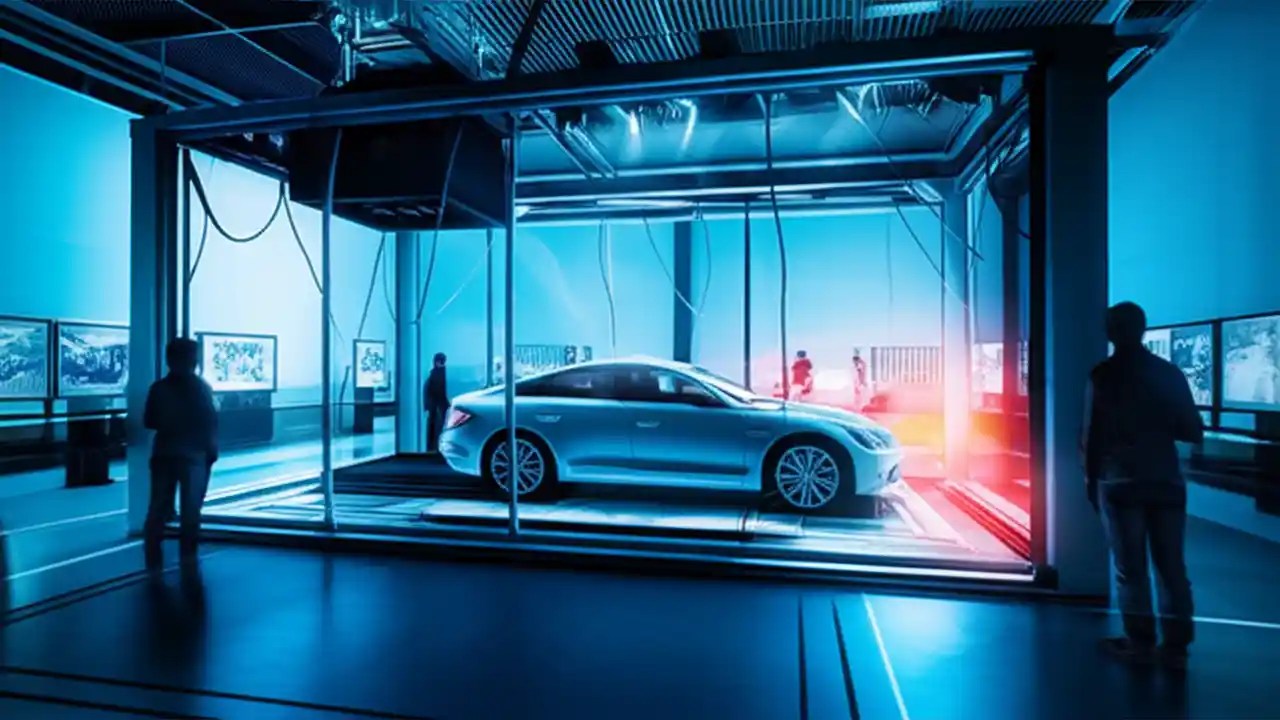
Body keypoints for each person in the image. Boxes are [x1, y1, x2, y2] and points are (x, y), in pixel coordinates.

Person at [1084, 302, 1203, 668]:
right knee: (1171, 566)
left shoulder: (1103, 376)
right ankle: (1176, 646)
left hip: (1120, 482)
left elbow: (1091, 438)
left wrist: (1091, 482)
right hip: (1166, 481)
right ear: (1144, 329)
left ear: (1109, 331)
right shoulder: (1169, 373)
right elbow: (1192, 430)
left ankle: (1140, 641)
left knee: (1130, 568)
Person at [143, 338, 219, 571]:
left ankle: (152, 563)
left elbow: (149, 421)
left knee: (157, 508)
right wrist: (211, 452)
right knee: (190, 510)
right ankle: (188, 564)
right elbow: (210, 422)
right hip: (194, 455)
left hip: (164, 452)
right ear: (193, 360)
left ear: (168, 359)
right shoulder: (201, 388)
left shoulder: (158, 388)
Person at [424, 352, 450, 453]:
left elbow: (430, 390)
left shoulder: (434, 373)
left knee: (434, 426)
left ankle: (433, 447)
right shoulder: (443, 373)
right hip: (441, 405)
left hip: (435, 406)